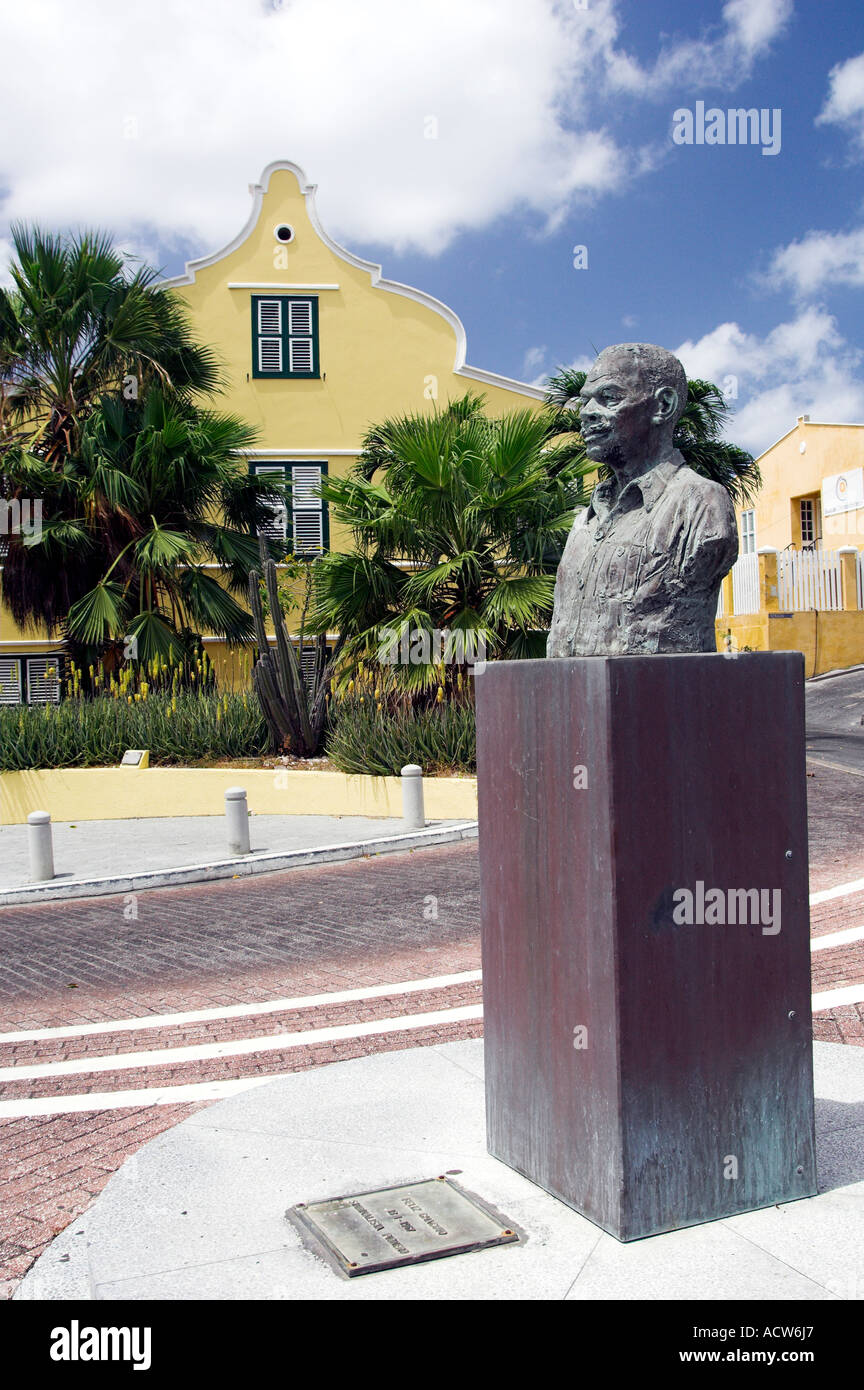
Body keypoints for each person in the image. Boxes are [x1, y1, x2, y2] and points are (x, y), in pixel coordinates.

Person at [546, 342, 738, 657]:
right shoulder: (584, 521)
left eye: (609, 398)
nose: (587, 412)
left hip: (658, 699)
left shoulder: (701, 503)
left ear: (662, 406)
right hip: (572, 699)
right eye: (586, 401)